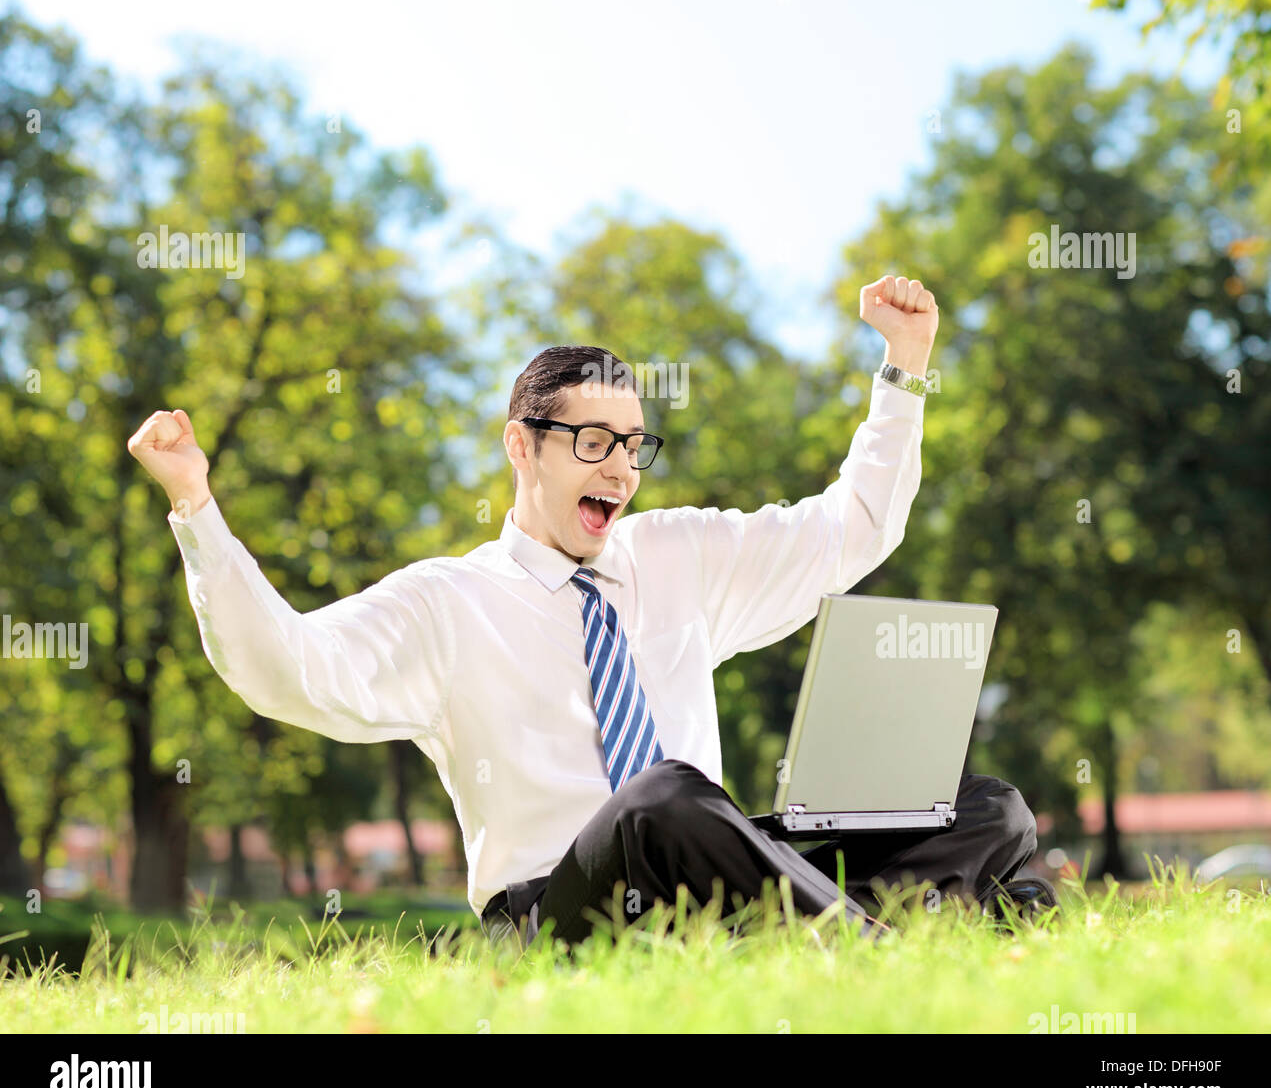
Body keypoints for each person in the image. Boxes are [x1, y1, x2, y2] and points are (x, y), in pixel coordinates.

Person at [127, 273, 1051, 952]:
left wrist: (905, 366)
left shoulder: (673, 555)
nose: (619, 468)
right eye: (592, 442)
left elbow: (848, 530)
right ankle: (879, 952)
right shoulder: (446, 602)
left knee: (983, 808)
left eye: (635, 446)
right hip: (554, 912)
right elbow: (287, 669)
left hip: (704, 875)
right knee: (663, 798)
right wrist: (195, 511)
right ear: (521, 446)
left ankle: (911, 938)